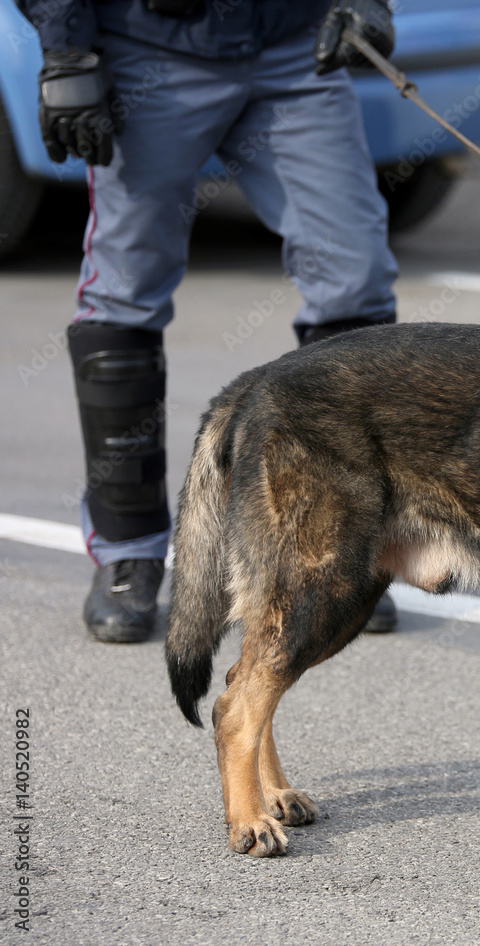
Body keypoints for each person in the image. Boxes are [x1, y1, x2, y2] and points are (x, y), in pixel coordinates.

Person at [21, 0, 400, 642]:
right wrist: (67, 52)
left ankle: (341, 551)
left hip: (291, 47)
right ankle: (127, 553)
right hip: (148, 50)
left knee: (355, 282)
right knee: (124, 294)